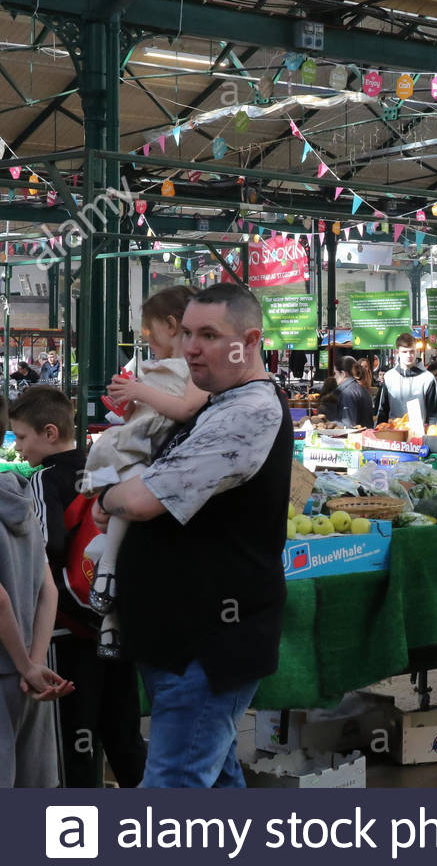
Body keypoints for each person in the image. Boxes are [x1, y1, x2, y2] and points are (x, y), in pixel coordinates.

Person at [93, 282, 293, 788]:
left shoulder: (247, 413)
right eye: (186, 333)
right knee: (216, 781)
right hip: (180, 640)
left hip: (208, 646)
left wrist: (105, 499)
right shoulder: (219, 404)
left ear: (248, 342)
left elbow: (141, 500)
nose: (190, 347)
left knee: (175, 786)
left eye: (208, 334)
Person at [12, 386, 147, 788]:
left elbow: (46, 544)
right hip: (112, 618)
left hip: (68, 627)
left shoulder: (44, 481)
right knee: (123, 734)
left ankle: (80, 833)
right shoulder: (103, 469)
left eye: (21, 437)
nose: (18, 450)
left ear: (49, 433)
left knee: (77, 739)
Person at [91, 287, 211, 659]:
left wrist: (140, 390)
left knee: (124, 528)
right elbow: (147, 415)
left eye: (149, 333)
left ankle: (110, 601)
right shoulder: (157, 369)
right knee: (115, 530)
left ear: (171, 325)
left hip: (154, 463)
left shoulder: (196, 371)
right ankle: (110, 609)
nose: (147, 341)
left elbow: (186, 409)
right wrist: (130, 402)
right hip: (136, 453)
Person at [0, 415, 72, 787]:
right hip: (27, 674)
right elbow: (49, 590)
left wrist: (24, 664)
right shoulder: (20, 497)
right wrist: (33, 662)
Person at [375, 333, 437, 426]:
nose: (409, 355)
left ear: (416, 351)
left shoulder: (428, 378)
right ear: (398, 352)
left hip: (419, 436)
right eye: (404, 352)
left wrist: (431, 436)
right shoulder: (389, 377)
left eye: (412, 351)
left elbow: (434, 414)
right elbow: (382, 411)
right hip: (394, 434)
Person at [332, 356, 374, 429]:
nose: (334, 377)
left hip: (354, 438)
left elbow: (348, 425)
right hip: (365, 436)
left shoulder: (347, 393)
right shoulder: (360, 388)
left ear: (343, 374)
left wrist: (329, 422)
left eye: (335, 373)